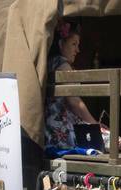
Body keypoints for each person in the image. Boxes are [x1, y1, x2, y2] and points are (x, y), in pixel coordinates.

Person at [45, 21, 110, 151]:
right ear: (60, 44)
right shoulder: (62, 65)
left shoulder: (50, 62)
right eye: (74, 44)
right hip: (61, 129)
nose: (78, 50)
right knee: (111, 139)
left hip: (50, 127)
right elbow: (75, 102)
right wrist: (94, 125)